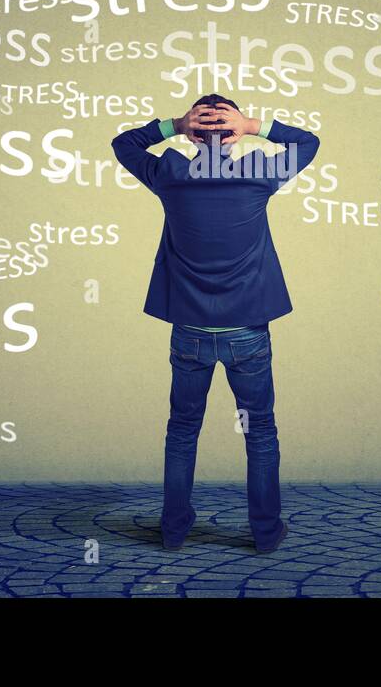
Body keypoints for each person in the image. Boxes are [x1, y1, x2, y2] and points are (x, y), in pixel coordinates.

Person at [111, 95, 320, 553]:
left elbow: (124, 144)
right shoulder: (258, 175)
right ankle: (265, 533)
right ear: (231, 135)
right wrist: (252, 125)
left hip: (189, 332)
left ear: (193, 133)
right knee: (260, 431)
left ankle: (174, 530)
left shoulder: (170, 175)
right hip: (247, 331)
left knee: (183, 430)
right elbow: (308, 142)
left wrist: (172, 126)